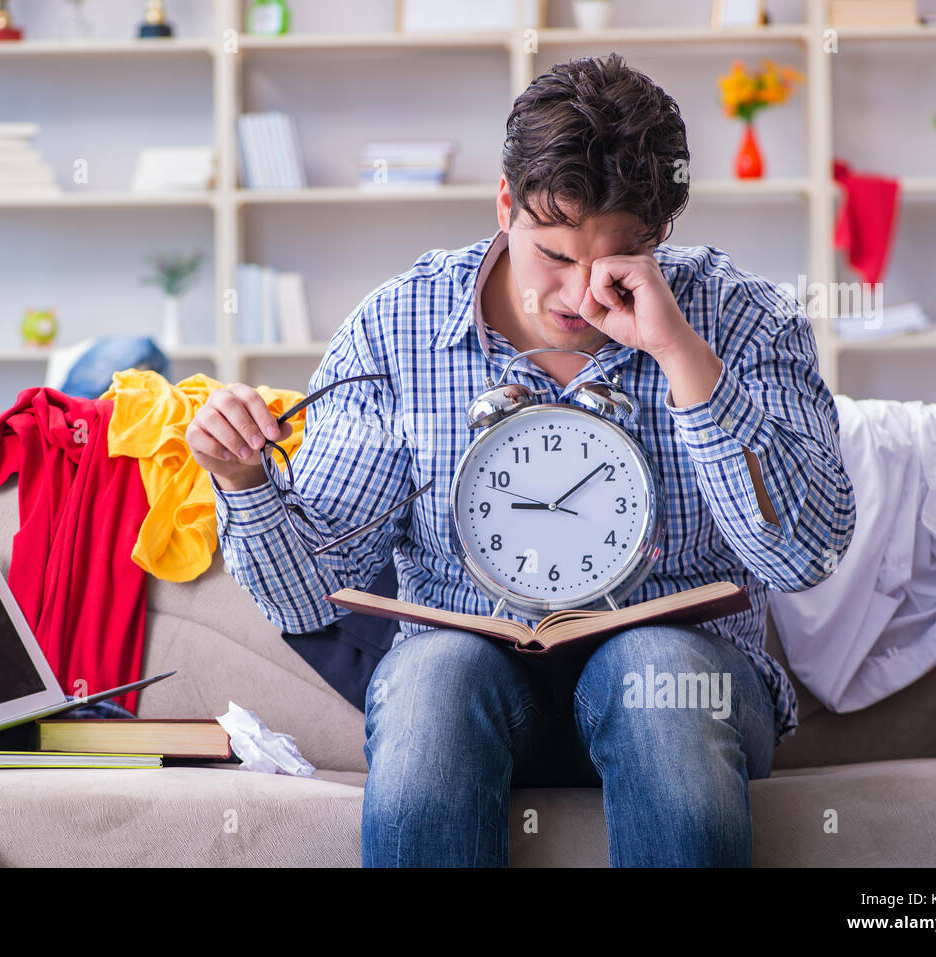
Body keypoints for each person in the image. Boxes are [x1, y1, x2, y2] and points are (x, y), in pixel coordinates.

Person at [185, 53, 856, 867]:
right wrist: (243, 480)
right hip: (469, 692)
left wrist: (683, 357)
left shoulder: (744, 319)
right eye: (556, 257)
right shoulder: (399, 327)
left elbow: (805, 554)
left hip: (684, 694)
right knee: (434, 680)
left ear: (661, 235)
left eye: (617, 262)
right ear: (506, 204)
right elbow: (308, 597)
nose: (580, 299)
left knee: (653, 670)